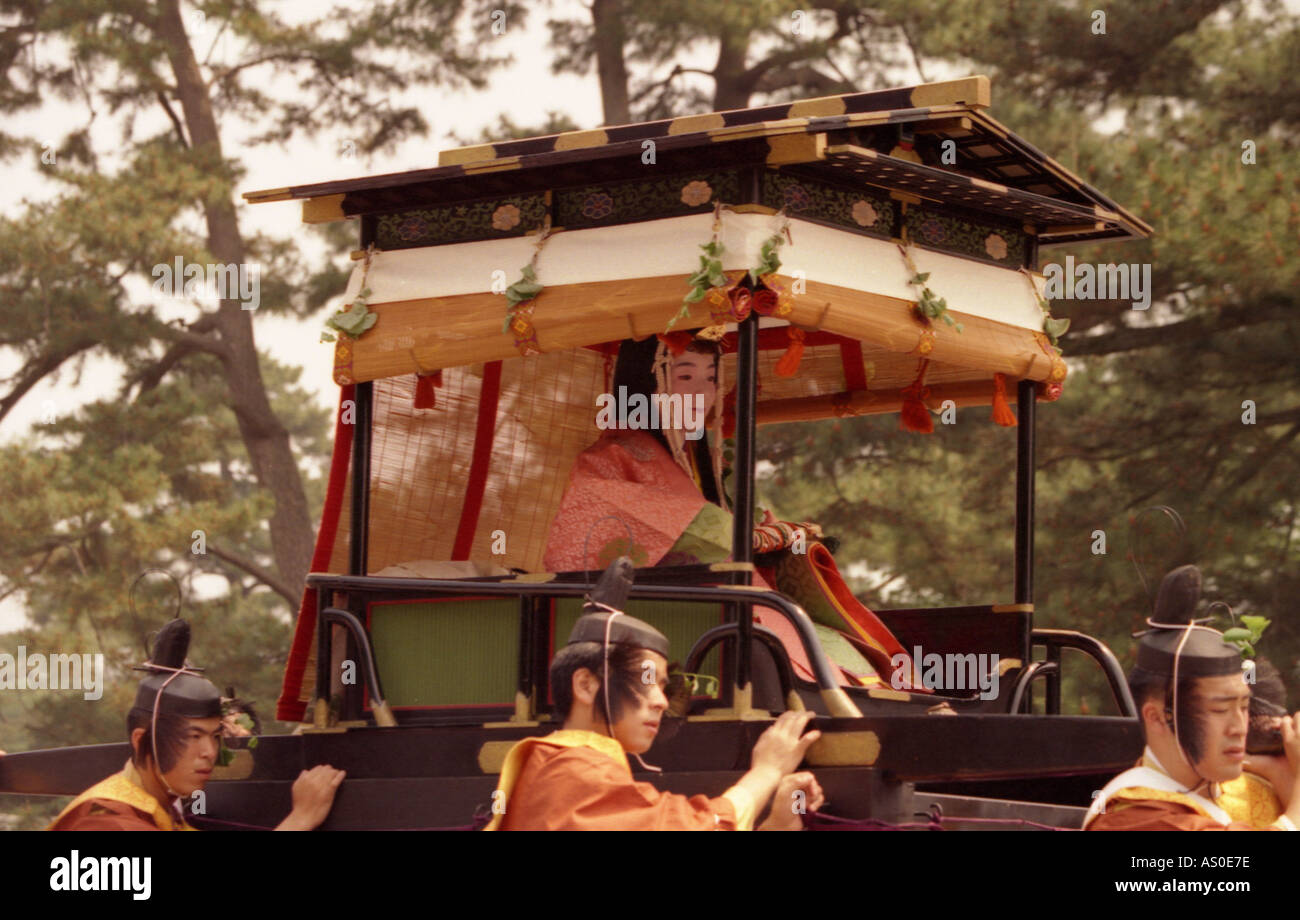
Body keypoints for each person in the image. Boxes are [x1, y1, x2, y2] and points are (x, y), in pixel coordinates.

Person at [544, 332, 917, 688]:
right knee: (784, 649)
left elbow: (735, 527)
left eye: (710, 378)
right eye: (685, 375)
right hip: (660, 609)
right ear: (646, 384)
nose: (700, 392)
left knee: (842, 651)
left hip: (731, 598)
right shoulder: (608, 459)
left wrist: (778, 535)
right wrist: (756, 536)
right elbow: (681, 528)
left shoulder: (697, 459)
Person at [484, 607, 824, 830]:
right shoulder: (574, 772)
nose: (661, 701)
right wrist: (766, 772)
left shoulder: (566, 765)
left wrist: (778, 823)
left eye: (663, 687)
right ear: (586, 685)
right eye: (647, 681)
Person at [48, 619, 344, 831]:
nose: (209, 752)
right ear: (141, 741)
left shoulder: (166, 813)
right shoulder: (103, 820)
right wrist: (299, 820)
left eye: (215, 736)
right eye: (193, 736)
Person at [1084, 566, 1300, 831]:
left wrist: (1282, 775)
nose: (1239, 727)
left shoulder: (1256, 785)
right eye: (1220, 710)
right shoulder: (1129, 815)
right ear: (1158, 717)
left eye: (1244, 707)